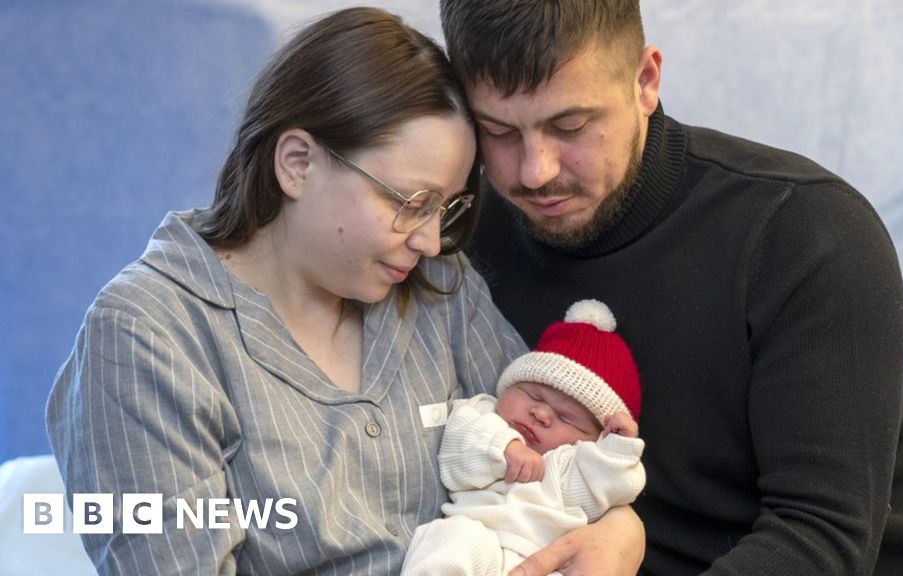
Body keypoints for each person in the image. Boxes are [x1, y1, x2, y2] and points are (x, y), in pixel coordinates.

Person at [45, 7, 642, 575]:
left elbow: (558, 466)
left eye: (446, 208)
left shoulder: (439, 290)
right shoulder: (146, 339)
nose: (432, 241)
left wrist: (622, 531)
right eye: (410, 203)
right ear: (298, 163)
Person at [438, 1, 903, 575]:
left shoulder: (803, 232)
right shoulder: (466, 231)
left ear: (646, 80)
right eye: (499, 132)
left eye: (570, 125)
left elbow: (822, 537)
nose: (534, 171)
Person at [402, 300, 646, 575]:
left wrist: (618, 448)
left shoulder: (572, 465)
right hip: (479, 536)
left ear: (592, 439)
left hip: (547, 558)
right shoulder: (483, 415)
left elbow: (613, 487)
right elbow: (458, 453)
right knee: (450, 538)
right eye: (532, 395)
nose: (540, 413)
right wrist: (503, 446)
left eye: (566, 417)